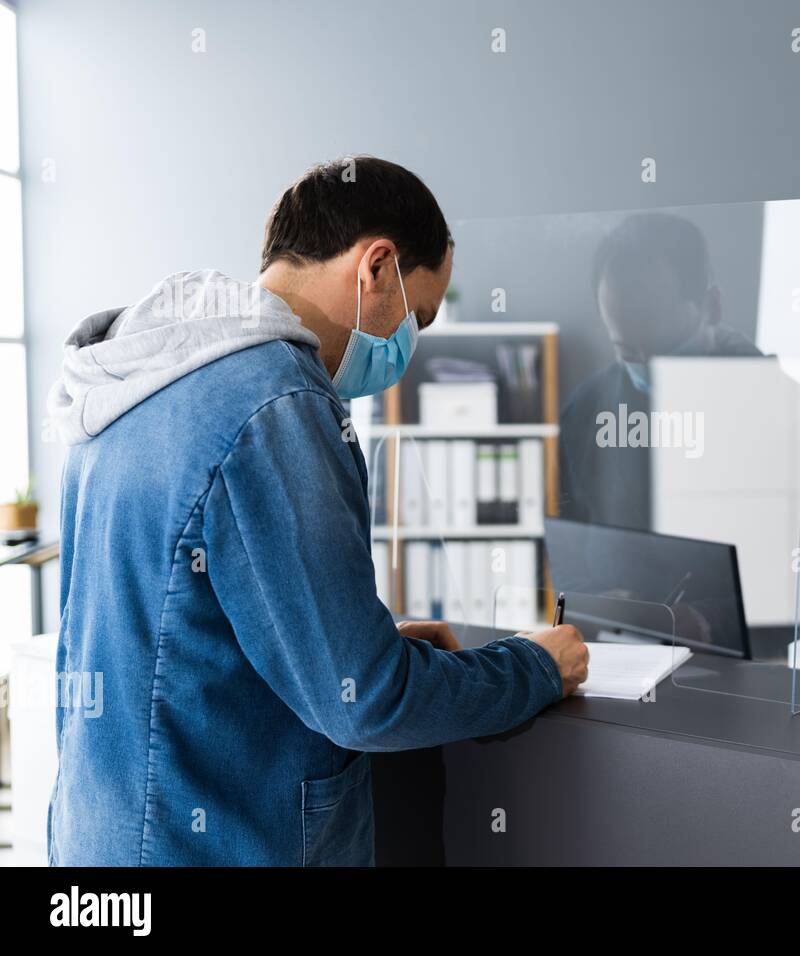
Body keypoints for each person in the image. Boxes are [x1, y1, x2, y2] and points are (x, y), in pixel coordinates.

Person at [45, 157, 588, 866]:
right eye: (418, 315)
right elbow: (365, 701)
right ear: (378, 267)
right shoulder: (278, 404)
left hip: (100, 844)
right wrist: (534, 666)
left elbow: (181, 626)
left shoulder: (137, 378)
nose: (409, 343)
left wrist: (356, 638)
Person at [558, 212, 762, 529]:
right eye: (627, 351)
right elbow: (571, 557)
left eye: (666, 349)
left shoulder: (775, 411)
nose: (647, 365)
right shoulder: (583, 414)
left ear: (713, 306)